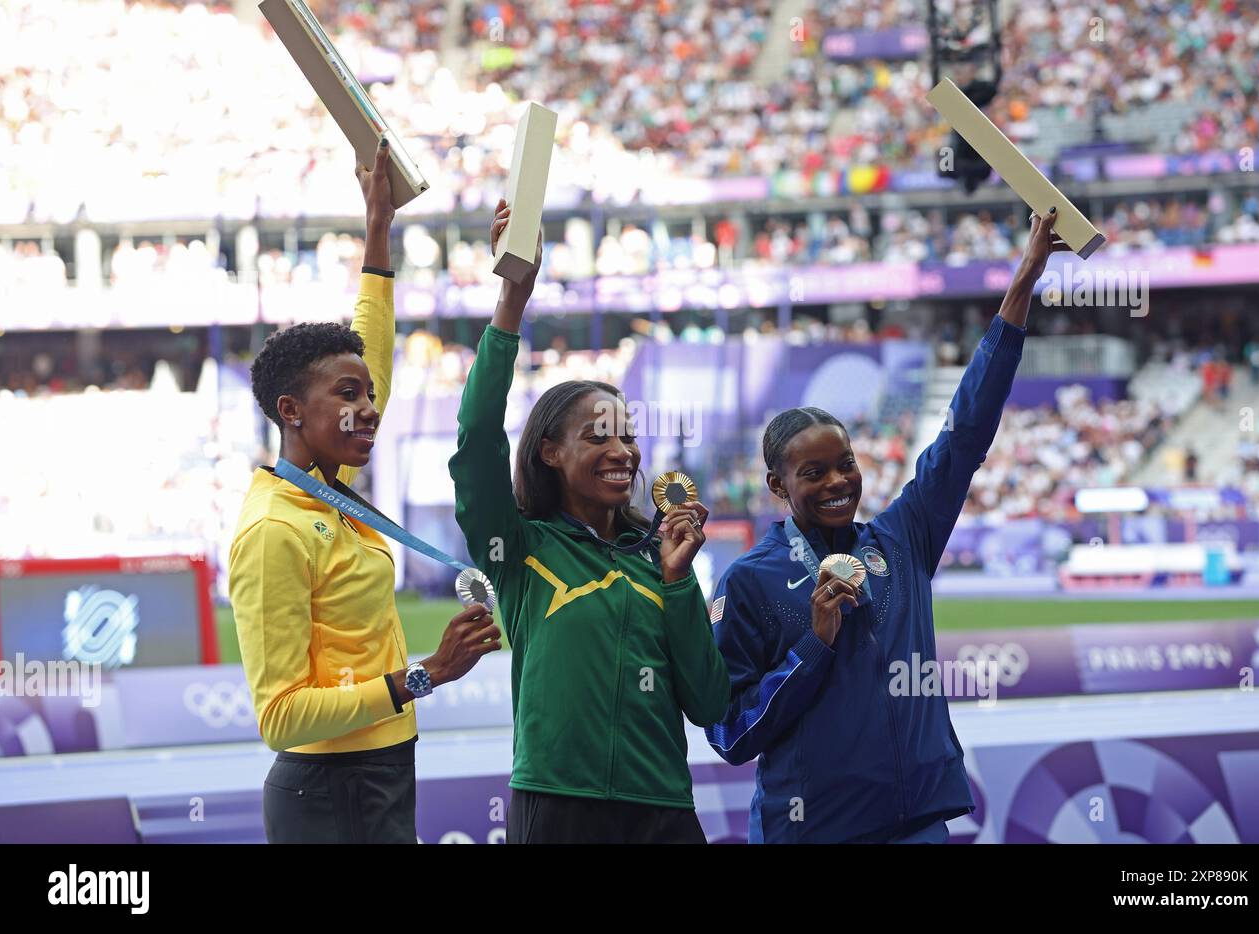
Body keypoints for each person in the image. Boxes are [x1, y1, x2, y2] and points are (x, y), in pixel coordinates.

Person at [705, 209, 1071, 844]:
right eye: (812, 474)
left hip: (918, 822)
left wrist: (1029, 272)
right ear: (777, 486)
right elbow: (732, 734)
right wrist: (814, 645)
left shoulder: (904, 539)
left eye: (845, 465)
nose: (837, 483)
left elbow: (967, 432)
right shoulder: (749, 583)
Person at [229, 140, 501, 844]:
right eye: (348, 396)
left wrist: (378, 227)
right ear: (292, 412)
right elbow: (280, 717)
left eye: (371, 395)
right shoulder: (273, 529)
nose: (370, 408)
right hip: (325, 791)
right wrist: (425, 676)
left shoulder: (330, 488)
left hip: (381, 766)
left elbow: (370, 344)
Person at [448, 198, 730, 844]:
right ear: (549, 450)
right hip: (558, 806)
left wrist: (679, 582)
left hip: (663, 810)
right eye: (598, 435)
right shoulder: (518, 549)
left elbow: (711, 706)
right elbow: (476, 438)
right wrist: (512, 303)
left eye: (628, 437)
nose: (622, 451)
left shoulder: (657, 560)